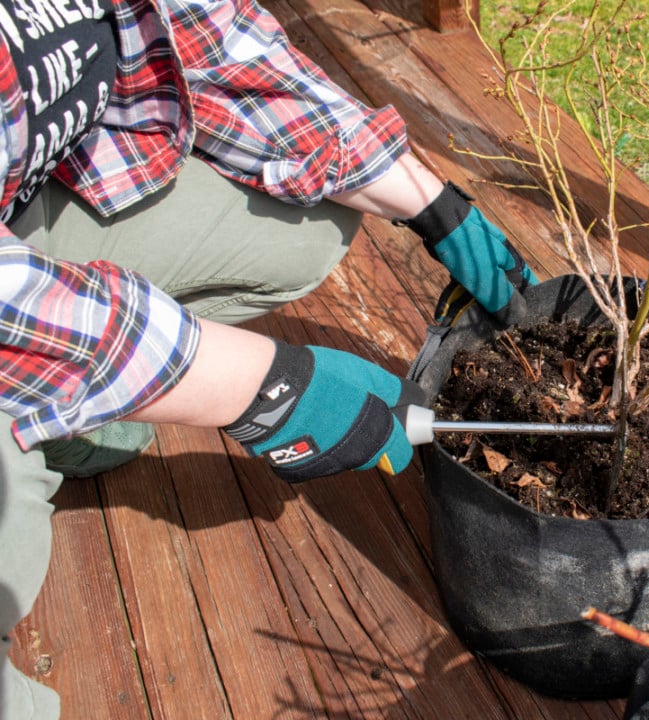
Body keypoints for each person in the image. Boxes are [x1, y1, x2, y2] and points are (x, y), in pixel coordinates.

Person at [0, 0, 536, 715]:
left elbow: (218, 39)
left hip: (26, 207)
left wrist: (434, 206)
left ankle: (70, 410)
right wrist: (265, 389)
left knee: (309, 226)